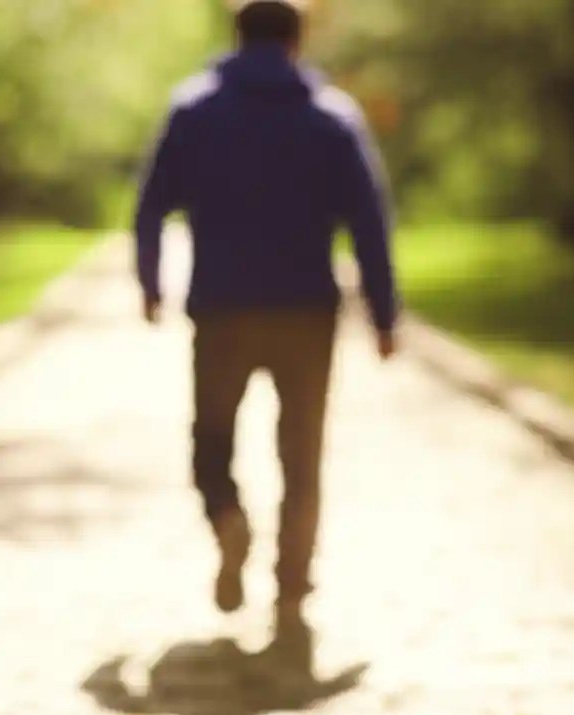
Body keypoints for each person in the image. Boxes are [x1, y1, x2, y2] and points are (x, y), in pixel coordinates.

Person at [134, 0, 400, 637]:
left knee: (212, 439)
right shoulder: (332, 118)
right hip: (307, 310)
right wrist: (385, 313)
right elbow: (369, 223)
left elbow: (149, 208)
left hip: (221, 308)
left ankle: (228, 518)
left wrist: (150, 285)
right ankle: (291, 587)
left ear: (238, 35)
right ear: (296, 41)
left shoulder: (194, 110)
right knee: (301, 454)